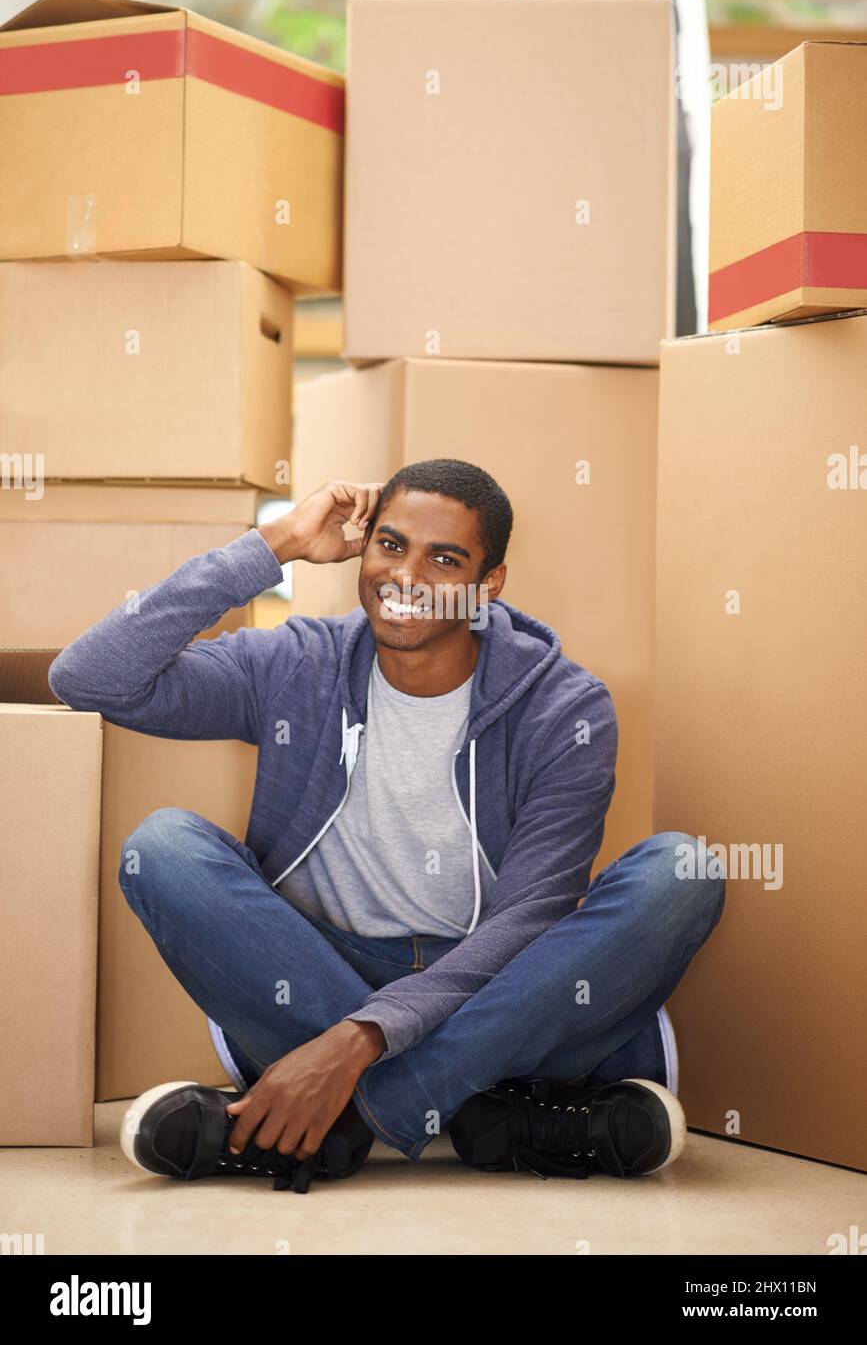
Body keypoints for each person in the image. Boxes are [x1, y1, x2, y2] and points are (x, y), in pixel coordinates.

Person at [48, 459, 725, 1193]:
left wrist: (354, 1042)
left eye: (445, 559)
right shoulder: (296, 664)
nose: (406, 575)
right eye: (391, 545)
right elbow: (90, 678)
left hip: (489, 983)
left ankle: (349, 1120)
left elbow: (529, 918)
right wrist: (272, 545)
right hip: (324, 975)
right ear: (361, 546)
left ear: (488, 583)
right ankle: (491, 1113)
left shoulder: (562, 708)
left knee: (680, 870)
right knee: (164, 848)